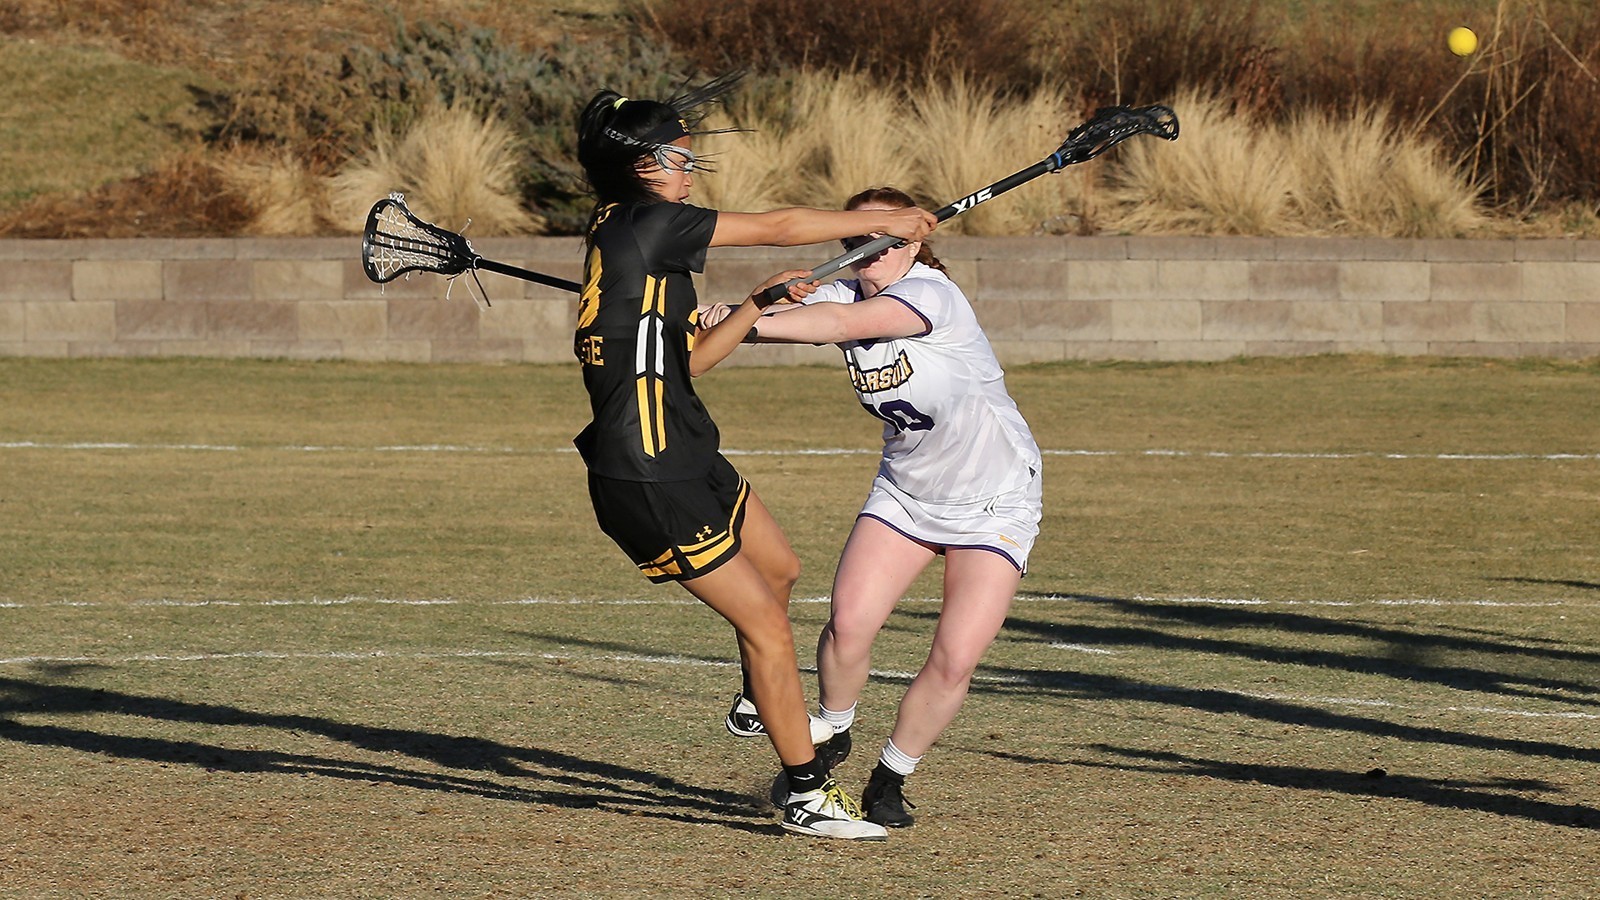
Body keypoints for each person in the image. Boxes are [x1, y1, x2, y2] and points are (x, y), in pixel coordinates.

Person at [572, 80, 937, 841]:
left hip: (688, 448)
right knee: (769, 628)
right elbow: (780, 225)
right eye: (677, 157)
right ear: (643, 164)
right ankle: (807, 795)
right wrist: (884, 222)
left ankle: (758, 697)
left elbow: (691, 362)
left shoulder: (623, 229)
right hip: (645, 470)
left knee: (780, 568)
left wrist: (752, 307)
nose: (688, 169)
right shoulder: (649, 221)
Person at [703, 186, 1042, 828]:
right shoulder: (842, 290)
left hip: (995, 498)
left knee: (954, 655)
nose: (867, 249)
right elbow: (804, 314)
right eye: (854, 238)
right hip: (906, 490)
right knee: (849, 624)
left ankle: (891, 776)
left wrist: (746, 321)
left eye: (882, 237)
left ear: (912, 241)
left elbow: (836, 328)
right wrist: (717, 316)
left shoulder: (932, 295)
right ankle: (833, 729)